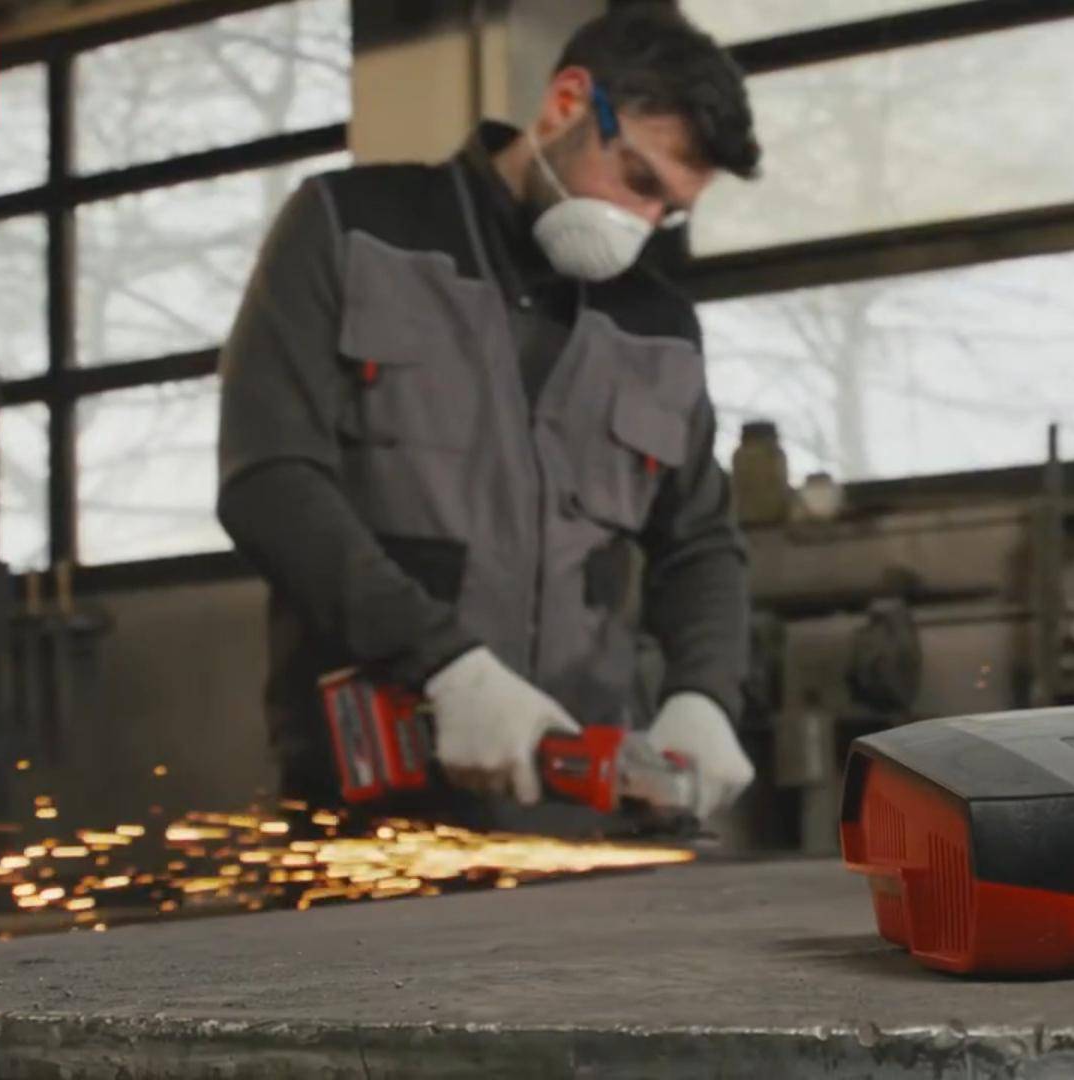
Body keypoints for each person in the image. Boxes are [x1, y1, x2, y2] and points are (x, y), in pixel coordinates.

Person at [215, 6, 759, 827]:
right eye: (639, 181)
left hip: (581, 803)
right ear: (567, 102)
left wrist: (705, 694)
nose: (642, 225)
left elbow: (700, 541)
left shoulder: (659, 326)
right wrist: (447, 667)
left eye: (670, 211)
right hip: (375, 795)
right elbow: (269, 481)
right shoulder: (352, 227)